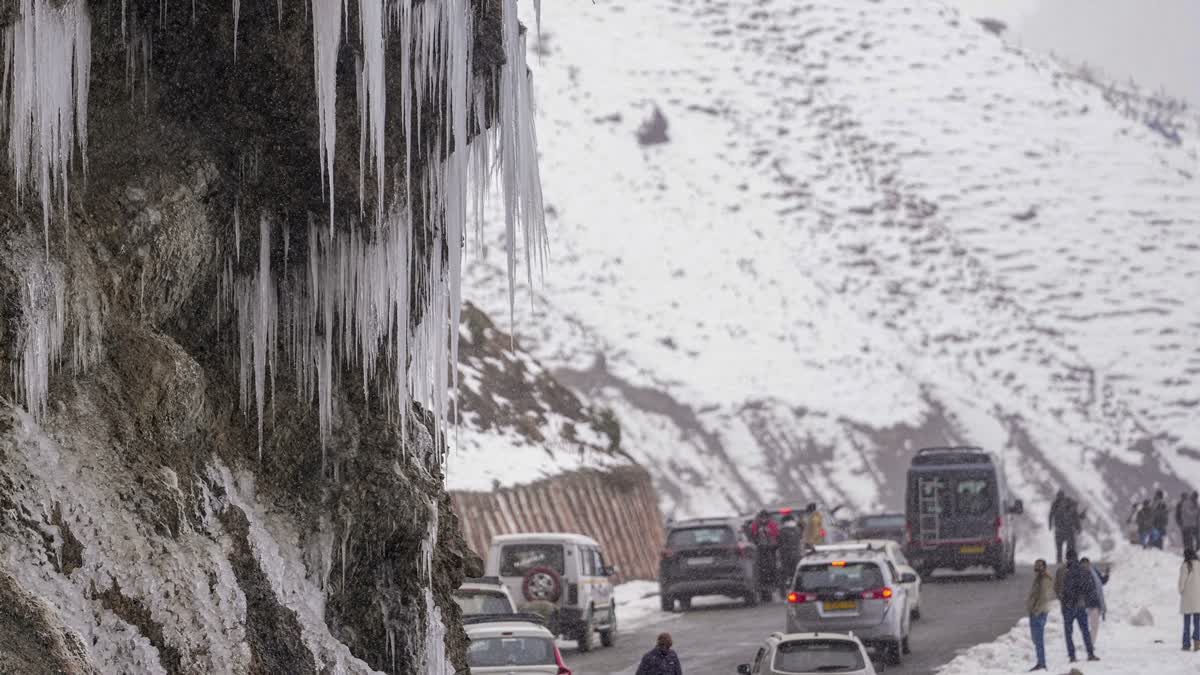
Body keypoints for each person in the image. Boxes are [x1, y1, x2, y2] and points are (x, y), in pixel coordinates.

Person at [1055, 548, 1099, 663]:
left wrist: (1063, 599)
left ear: (1066, 557)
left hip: (1067, 606)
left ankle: (1072, 656)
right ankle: (1090, 653)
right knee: (1084, 630)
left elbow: (1056, 588)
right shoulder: (1082, 569)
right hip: (1080, 604)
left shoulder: (1061, 570)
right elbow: (1088, 587)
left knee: (1068, 632)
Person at [1026, 558, 1056, 671]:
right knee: (1036, 639)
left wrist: (1036, 610)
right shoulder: (1038, 578)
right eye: (1036, 565)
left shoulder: (1045, 579)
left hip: (1039, 612)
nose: (1037, 567)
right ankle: (1040, 662)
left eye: (1039, 565)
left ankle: (1042, 663)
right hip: (1035, 612)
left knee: (1039, 640)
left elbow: (1044, 597)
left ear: (1044, 567)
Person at [750, 510, 779, 601]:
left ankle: (767, 590)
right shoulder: (758, 525)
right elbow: (753, 536)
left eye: (764, 517)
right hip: (763, 551)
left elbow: (776, 536)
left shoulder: (768, 525)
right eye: (762, 517)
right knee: (766, 571)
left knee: (768, 571)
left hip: (768, 551)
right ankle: (766, 591)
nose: (763, 519)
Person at [1080, 557, 1107, 644]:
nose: (1085, 566)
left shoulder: (1094, 572)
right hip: (1083, 604)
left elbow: (1102, 581)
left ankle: (1090, 644)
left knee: (1094, 626)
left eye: (1087, 564)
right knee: (1084, 626)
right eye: (1083, 565)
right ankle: (1087, 642)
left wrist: (1107, 575)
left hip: (1094, 603)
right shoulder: (1078, 575)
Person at [1181, 549, 1200, 651]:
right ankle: (1197, 643)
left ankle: (1186, 644)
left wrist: (1181, 590)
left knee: (1187, 622)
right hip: (1198, 598)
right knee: (1198, 622)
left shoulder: (1185, 565)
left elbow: (1181, 583)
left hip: (1188, 598)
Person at [777, 514, 802, 591]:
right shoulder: (797, 529)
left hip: (786, 556)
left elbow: (781, 544)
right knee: (796, 574)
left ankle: (783, 593)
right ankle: (797, 590)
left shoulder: (782, 531)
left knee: (784, 575)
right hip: (797, 555)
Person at [1050, 495, 1078, 564]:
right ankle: (1068, 560)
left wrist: (1051, 525)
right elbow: (1076, 519)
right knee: (1069, 546)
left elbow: (1051, 516)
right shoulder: (1069, 510)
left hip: (1060, 531)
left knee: (1060, 547)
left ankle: (1060, 561)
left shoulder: (1057, 508)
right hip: (1066, 531)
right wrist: (1077, 527)